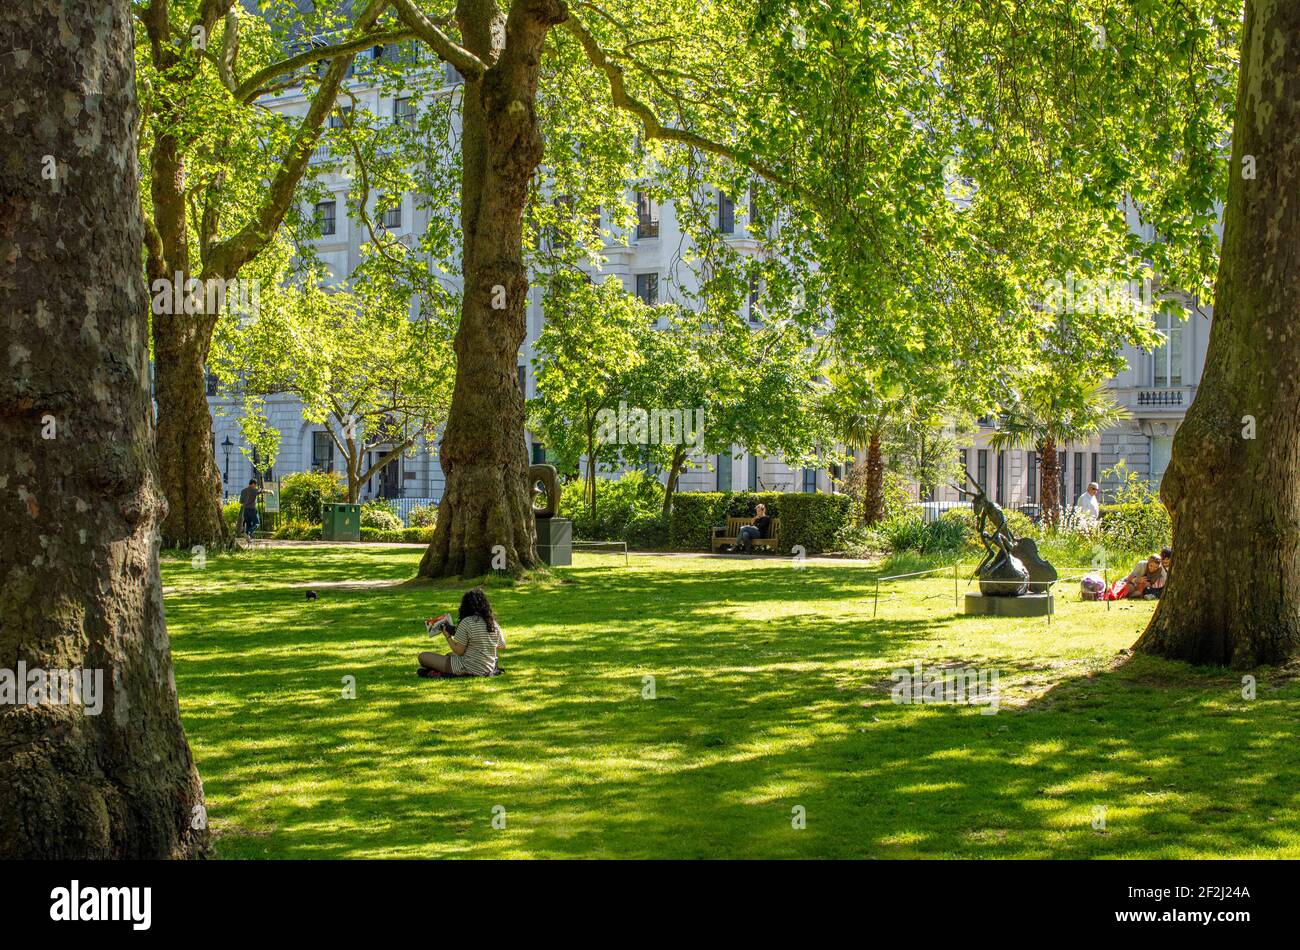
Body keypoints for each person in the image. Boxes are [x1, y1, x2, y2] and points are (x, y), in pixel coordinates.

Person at [418, 588, 506, 677]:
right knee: (449, 655)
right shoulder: (493, 623)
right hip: (488, 668)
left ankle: (437, 671)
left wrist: (448, 637)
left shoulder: (467, 622)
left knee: (422, 657)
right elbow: (501, 646)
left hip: (468, 667)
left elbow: (459, 651)